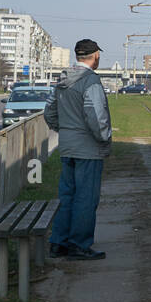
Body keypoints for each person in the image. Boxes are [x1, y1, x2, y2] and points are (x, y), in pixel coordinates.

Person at [43, 39, 112, 260]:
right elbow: (95, 116)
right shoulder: (90, 81)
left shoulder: (63, 80)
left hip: (67, 147)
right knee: (86, 198)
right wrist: (104, 139)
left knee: (67, 196)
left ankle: (58, 242)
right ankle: (79, 245)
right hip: (88, 149)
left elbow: (49, 112)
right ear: (96, 56)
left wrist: (64, 130)